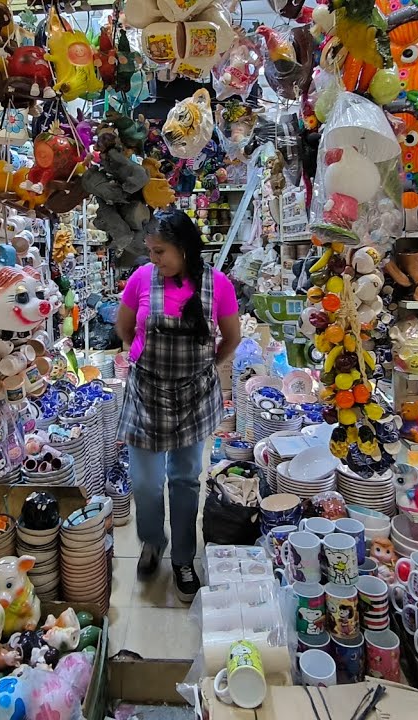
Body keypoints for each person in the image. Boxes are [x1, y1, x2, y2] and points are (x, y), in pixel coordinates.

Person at [116, 209, 241, 601]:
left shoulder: (217, 284)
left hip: (193, 396)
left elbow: (231, 338)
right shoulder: (141, 279)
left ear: (185, 248)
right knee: (145, 483)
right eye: (151, 251)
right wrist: (133, 349)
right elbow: (123, 325)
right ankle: (153, 541)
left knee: (186, 480)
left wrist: (207, 367)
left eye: (161, 251)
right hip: (146, 393)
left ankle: (184, 557)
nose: (155, 259)